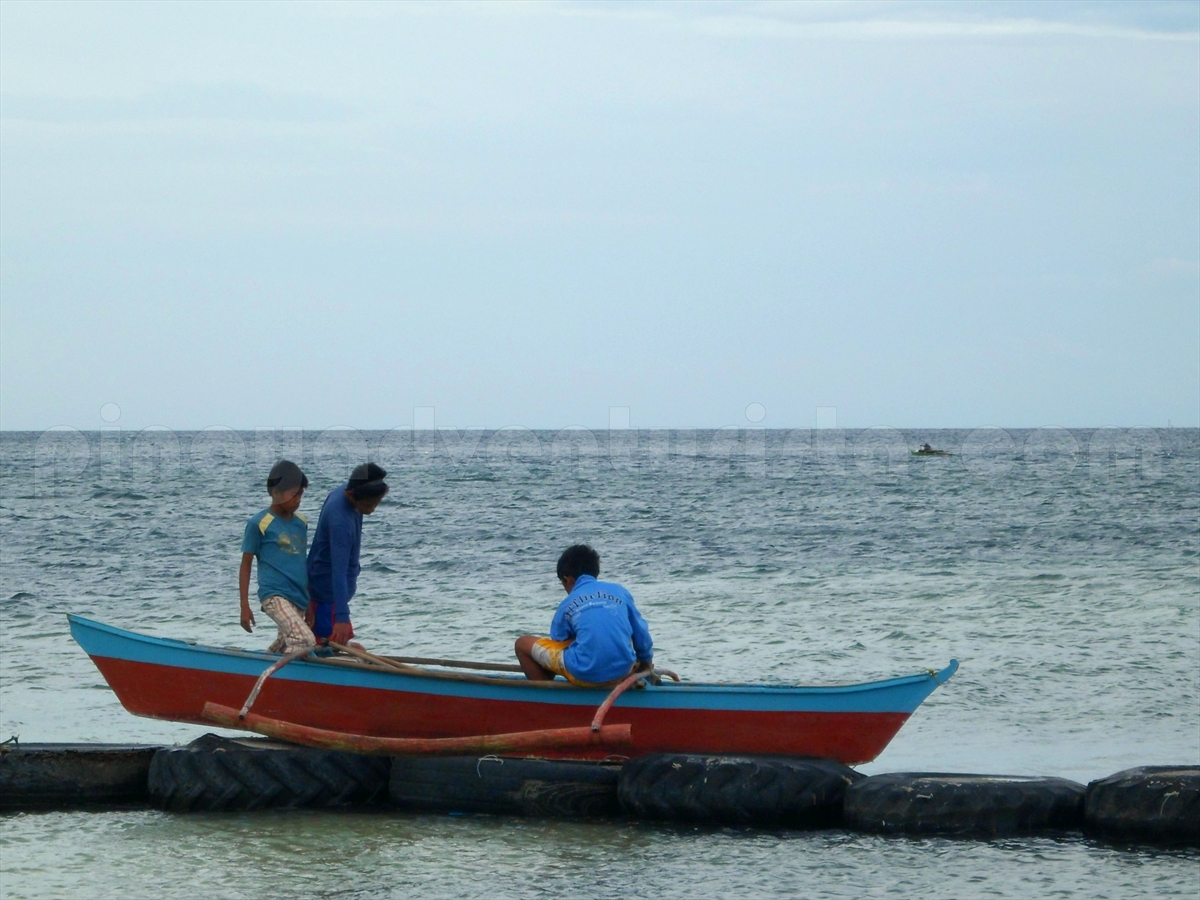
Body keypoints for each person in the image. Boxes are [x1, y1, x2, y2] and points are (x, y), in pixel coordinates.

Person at [515, 544, 654, 685]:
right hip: (623, 670)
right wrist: (645, 662)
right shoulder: (620, 591)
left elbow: (558, 639)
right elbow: (641, 634)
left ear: (567, 580)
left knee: (522, 644)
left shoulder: (568, 602)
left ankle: (546, 698)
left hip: (584, 674)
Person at [306, 462, 389, 645]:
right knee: (327, 646)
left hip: (332, 594)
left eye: (376, 503)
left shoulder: (349, 489)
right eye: (368, 505)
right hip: (326, 594)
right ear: (350, 495)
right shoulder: (340, 521)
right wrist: (342, 617)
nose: (372, 509)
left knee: (337, 646)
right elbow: (338, 570)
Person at [239, 460, 315, 654]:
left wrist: (309, 603)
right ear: (276, 493)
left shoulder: (301, 523)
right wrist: (245, 606)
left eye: (301, 495)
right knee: (305, 640)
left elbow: (300, 562)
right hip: (274, 595)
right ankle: (288, 681)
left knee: (284, 646)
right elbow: (246, 564)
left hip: (298, 596)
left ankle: (258, 671)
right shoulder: (259, 524)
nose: (298, 500)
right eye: (293, 495)